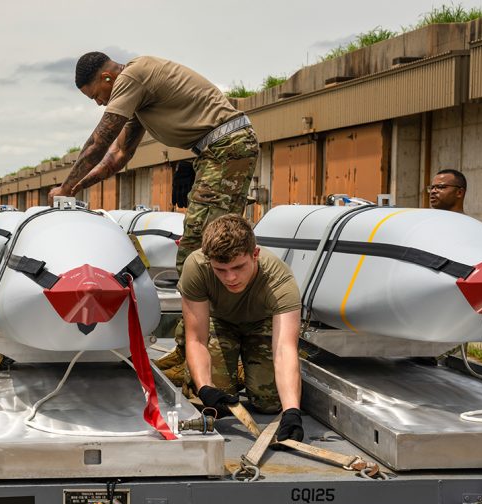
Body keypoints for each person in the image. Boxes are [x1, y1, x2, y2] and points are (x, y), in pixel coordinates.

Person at [47, 52, 260, 382]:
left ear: (107, 78)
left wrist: (66, 185)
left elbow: (100, 140)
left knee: (203, 252)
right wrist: (76, 188)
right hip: (215, 152)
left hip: (227, 148)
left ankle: (215, 356)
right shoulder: (139, 101)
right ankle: (190, 349)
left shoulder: (134, 76)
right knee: (197, 252)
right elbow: (118, 156)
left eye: (96, 96)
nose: (99, 104)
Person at [179, 214, 304, 443]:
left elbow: (285, 348)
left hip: (261, 325)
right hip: (218, 323)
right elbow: (196, 339)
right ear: (209, 261)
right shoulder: (196, 267)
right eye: (221, 270)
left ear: (255, 254)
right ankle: (230, 368)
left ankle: (245, 363)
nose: (231, 277)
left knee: (270, 403)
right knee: (217, 402)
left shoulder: (280, 279)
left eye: (238, 267)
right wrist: (205, 388)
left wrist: (292, 412)